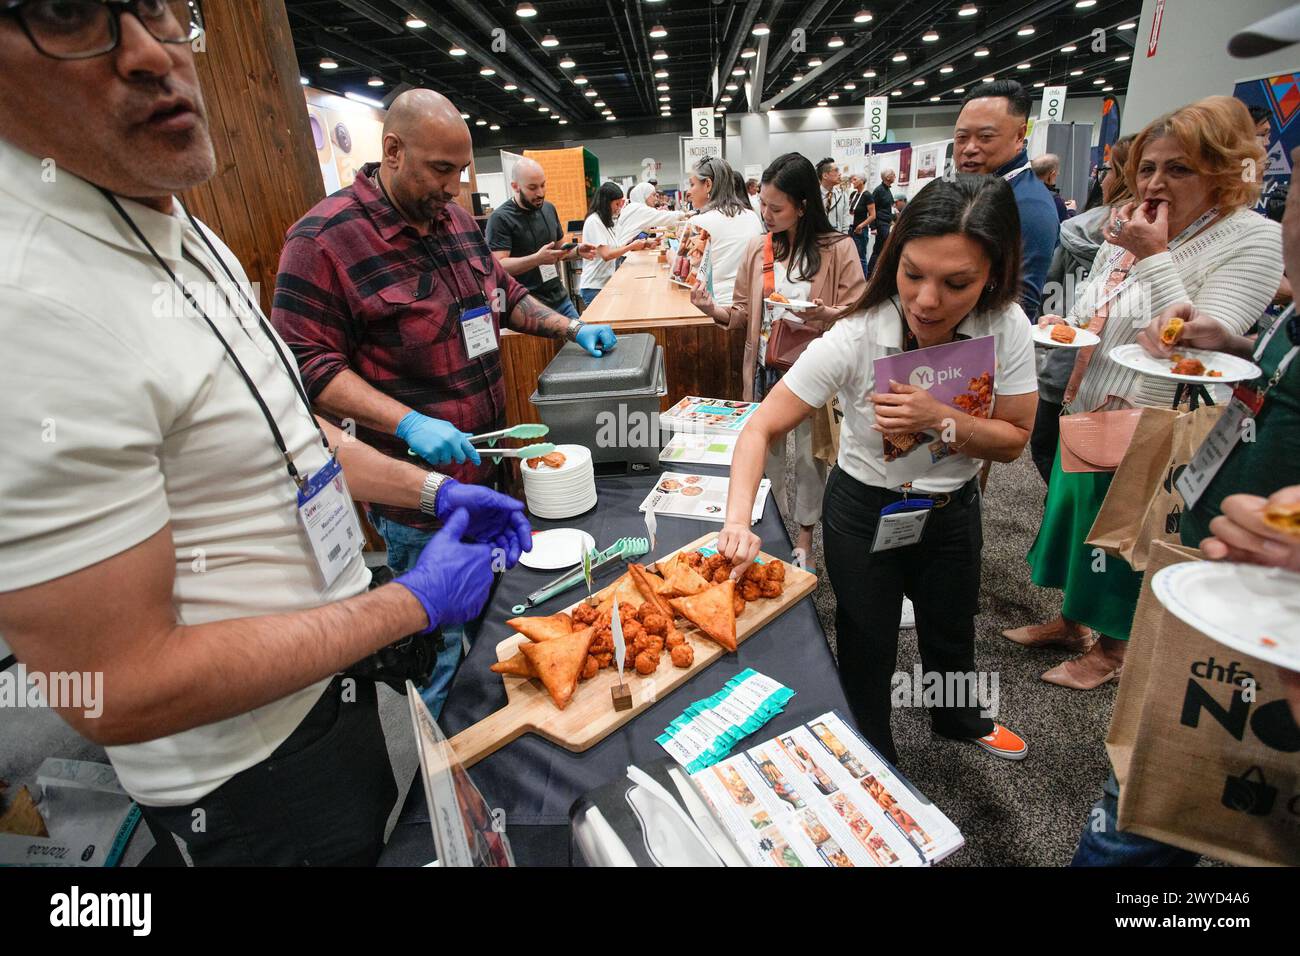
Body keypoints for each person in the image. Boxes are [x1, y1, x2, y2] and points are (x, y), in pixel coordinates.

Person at [0, 3, 530, 865]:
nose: (148, 52)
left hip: (327, 692)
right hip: (243, 774)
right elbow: (117, 686)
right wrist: (409, 601)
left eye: (159, 8)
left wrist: (430, 489)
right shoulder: (28, 302)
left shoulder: (175, 225)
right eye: (71, 14)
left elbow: (285, 433)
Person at [271, 89, 617, 715]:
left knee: (493, 636)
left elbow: (503, 294)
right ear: (392, 150)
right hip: (417, 505)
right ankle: (439, 768)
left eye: (461, 171)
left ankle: (489, 752)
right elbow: (304, 367)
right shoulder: (323, 241)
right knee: (440, 659)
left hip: (488, 481)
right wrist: (405, 420)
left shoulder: (455, 222)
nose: (455, 188)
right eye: (440, 170)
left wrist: (570, 328)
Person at [715, 175, 1037, 763]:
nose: (927, 301)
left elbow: (1015, 439)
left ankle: (957, 718)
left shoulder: (1006, 324)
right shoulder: (858, 334)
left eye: (957, 283)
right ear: (894, 260)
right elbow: (759, 427)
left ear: (992, 274)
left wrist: (940, 419)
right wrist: (737, 521)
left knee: (951, 626)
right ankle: (873, 752)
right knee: (866, 639)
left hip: (952, 508)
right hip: (865, 510)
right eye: (913, 275)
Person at [1020, 96, 1283, 690]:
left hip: (1159, 419)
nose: (1155, 183)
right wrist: (1068, 320)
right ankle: (1072, 622)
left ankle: (1112, 651)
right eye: (1147, 168)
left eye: (1178, 168)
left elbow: (1195, 345)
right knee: (1080, 522)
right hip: (1092, 399)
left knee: (1128, 537)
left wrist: (1155, 256)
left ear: (1222, 170)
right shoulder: (1134, 225)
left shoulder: (1253, 238)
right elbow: (1094, 305)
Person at [691, 154, 865, 568]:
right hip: (765, 370)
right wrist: (710, 308)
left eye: (776, 208)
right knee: (763, 457)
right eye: (763, 205)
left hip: (816, 373)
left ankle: (804, 540)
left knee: (809, 458)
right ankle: (770, 531)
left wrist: (828, 314)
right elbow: (740, 313)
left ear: (803, 206)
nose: (766, 215)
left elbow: (860, 312)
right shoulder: (759, 247)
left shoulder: (838, 248)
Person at [1027, 135, 1136, 485]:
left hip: (1078, 365)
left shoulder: (1081, 230)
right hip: (1101, 371)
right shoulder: (1109, 245)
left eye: (1108, 171)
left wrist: (1055, 318)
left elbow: (1052, 284)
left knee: (1052, 448)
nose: (1102, 180)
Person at [955, 80, 1060, 322]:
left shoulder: (1028, 207)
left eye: (985, 137)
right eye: (961, 137)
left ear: (1019, 135)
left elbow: (1019, 306)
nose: (969, 148)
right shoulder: (980, 188)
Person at [486, 156, 596, 320]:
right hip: (527, 306)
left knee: (582, 333)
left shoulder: (549, 208)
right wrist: (537, 259)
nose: (540, 193)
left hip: (559, 298)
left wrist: (577, 251)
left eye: (543, 185)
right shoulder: (500, 218)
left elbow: (559, 248)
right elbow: (499, 266)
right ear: (515, 186)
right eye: (532, 188)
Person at [683, 156, 764, 307]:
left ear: (708, 184)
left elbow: (685, 276)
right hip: (753, 305)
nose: (689, 191)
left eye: (692, 184)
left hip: (714, 306)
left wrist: (671, 257)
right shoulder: (752, 216)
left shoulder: (699, 222)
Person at [577, 181, 649, 306]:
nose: (618, 208)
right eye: (616, 204)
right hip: (594, 287)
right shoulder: (594, 221)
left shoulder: (605, 222)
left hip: (604, 284)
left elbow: (616, 246)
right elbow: (607, 255)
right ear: (606, 203)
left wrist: (643, 243)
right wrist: (631, 246)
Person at [614, 180, 685, 245]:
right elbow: (663, 216)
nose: (656, 199)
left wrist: (646, 243)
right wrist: (684, 214)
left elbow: (632, 236)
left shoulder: (632, 207)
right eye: (653, 195)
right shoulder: (640, 209)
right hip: (623, 252)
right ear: (644, 195)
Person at [864, 168, 897, 277]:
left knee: (881, 248)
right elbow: (871, 210)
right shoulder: (878, 191)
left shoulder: (888, 190)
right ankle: (870, 273)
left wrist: (893, 220)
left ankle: (875, 273)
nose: (895, 176)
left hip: (886, 222)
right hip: (880, 223)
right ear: (887, 177)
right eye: (893, 174)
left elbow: (889, 208)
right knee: (880, 249)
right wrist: (873, 227)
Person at [1031, 153, 1077, 222]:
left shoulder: (1023, 191)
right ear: (1052, 174)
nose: (1058, 173)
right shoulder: (1055, 199)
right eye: (1057, 171)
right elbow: (1066, 225)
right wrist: (1071, 210)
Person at [817, 157, 850, 234]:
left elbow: (845, 221)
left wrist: (844, 237)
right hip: (818, 238)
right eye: (836, 170)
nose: (840, 174)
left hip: (838, 237)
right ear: (825, 175)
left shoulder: (842, 195)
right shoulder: (813, 196)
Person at [848, 174, 873, 276]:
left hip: (860, 230)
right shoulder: (853, 194)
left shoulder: (867, 195)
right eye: (852, 180)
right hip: (851, 228)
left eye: (855, 179)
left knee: (861, 257)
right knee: (851, 256)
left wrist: (861, 226)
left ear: (862, 181)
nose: (852, 182)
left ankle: (863, 281)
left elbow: (873, 215)